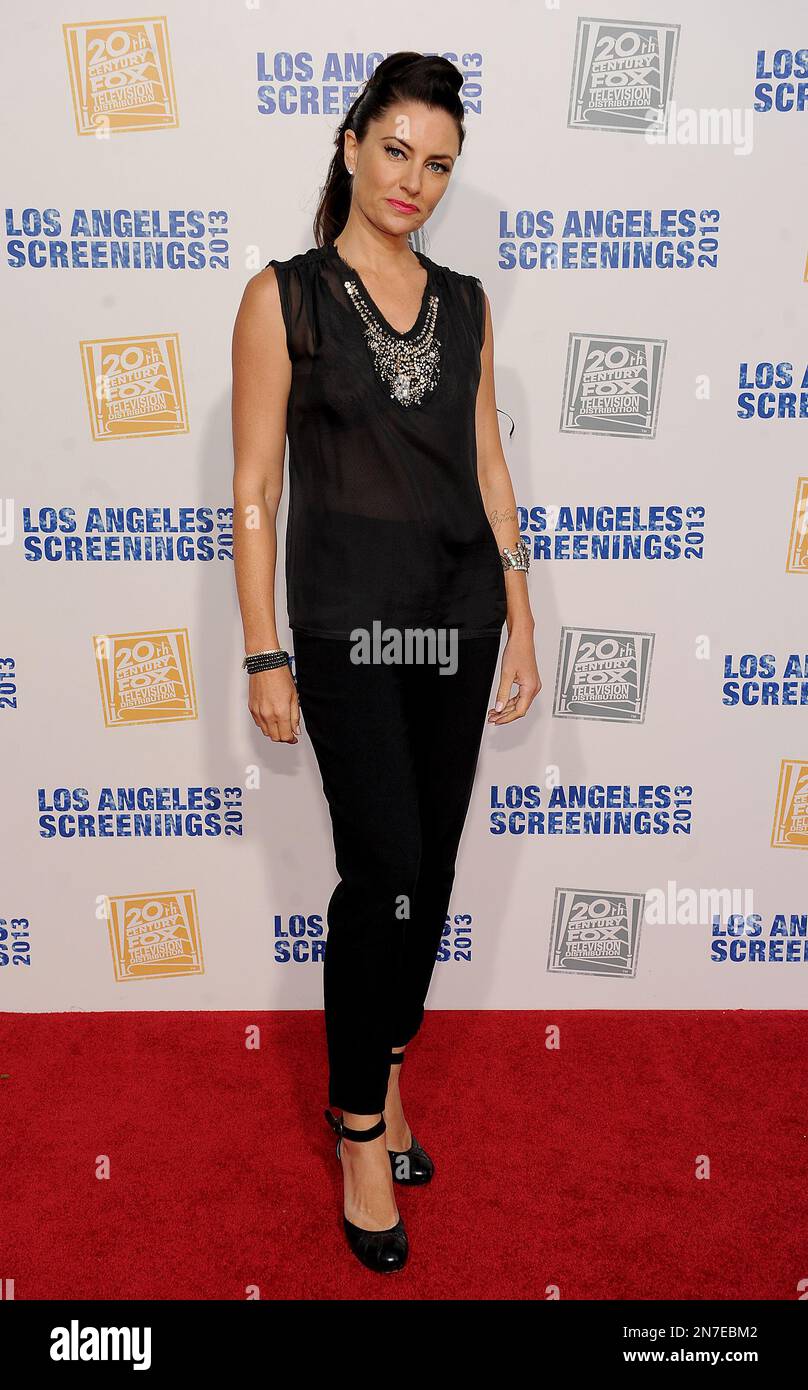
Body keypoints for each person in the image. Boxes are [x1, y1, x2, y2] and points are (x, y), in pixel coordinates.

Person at [231, 51, 541, 1274]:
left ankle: (391, 1072)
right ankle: (358, 1125)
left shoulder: (464, 302)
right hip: (346, 627)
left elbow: (488, 463)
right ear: (352, 143)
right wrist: (263, 648)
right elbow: (254, 488)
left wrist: (520, 608)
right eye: (397, 150)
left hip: (458, 618)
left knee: (434, 868)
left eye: (439, 165)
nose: (414, 180)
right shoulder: (285, 296)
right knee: (385, 872)